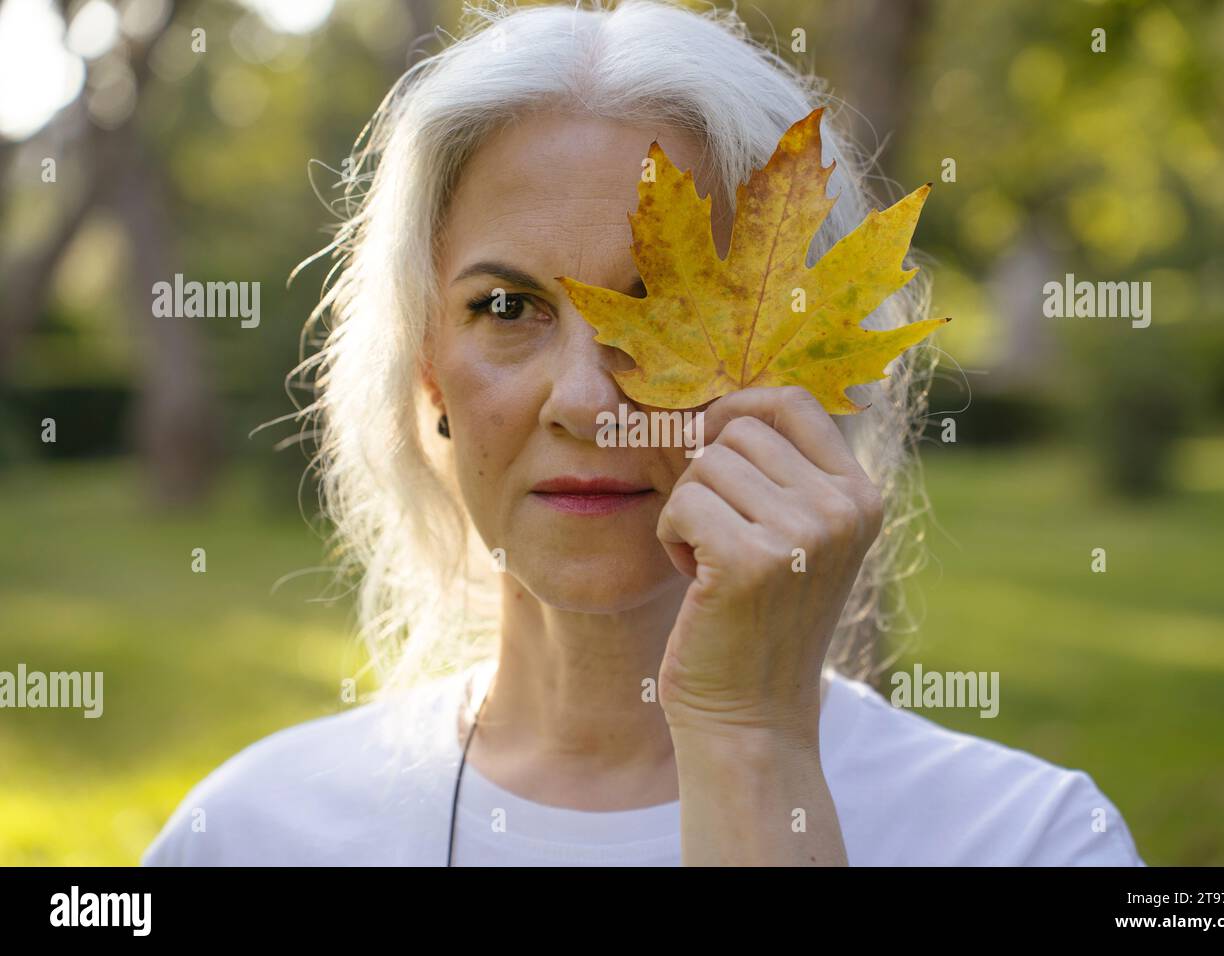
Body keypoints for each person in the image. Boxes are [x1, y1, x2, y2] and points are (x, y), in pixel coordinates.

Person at [142, 0, 1143, 867]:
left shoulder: (1026, 837)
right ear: (426, 368)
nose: (585, 397)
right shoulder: (250, 833)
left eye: (660, 306)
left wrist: (750, 742)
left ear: (808, 365)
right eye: (505, 306)